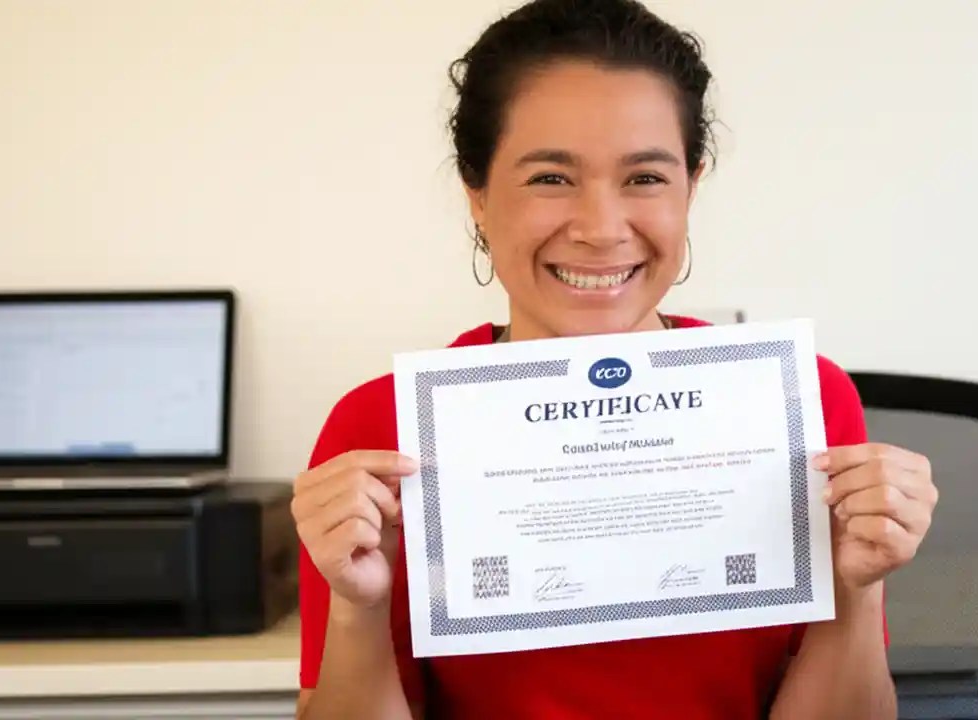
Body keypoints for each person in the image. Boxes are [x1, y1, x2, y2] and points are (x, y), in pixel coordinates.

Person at [290, 1, 939, 718]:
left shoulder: (801, 401)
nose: (601, 229)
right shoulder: (383, 427)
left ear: (692, 183)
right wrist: (357, 612)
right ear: (476, 194)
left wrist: (857, 590)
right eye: (550, 178)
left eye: (645, 178)